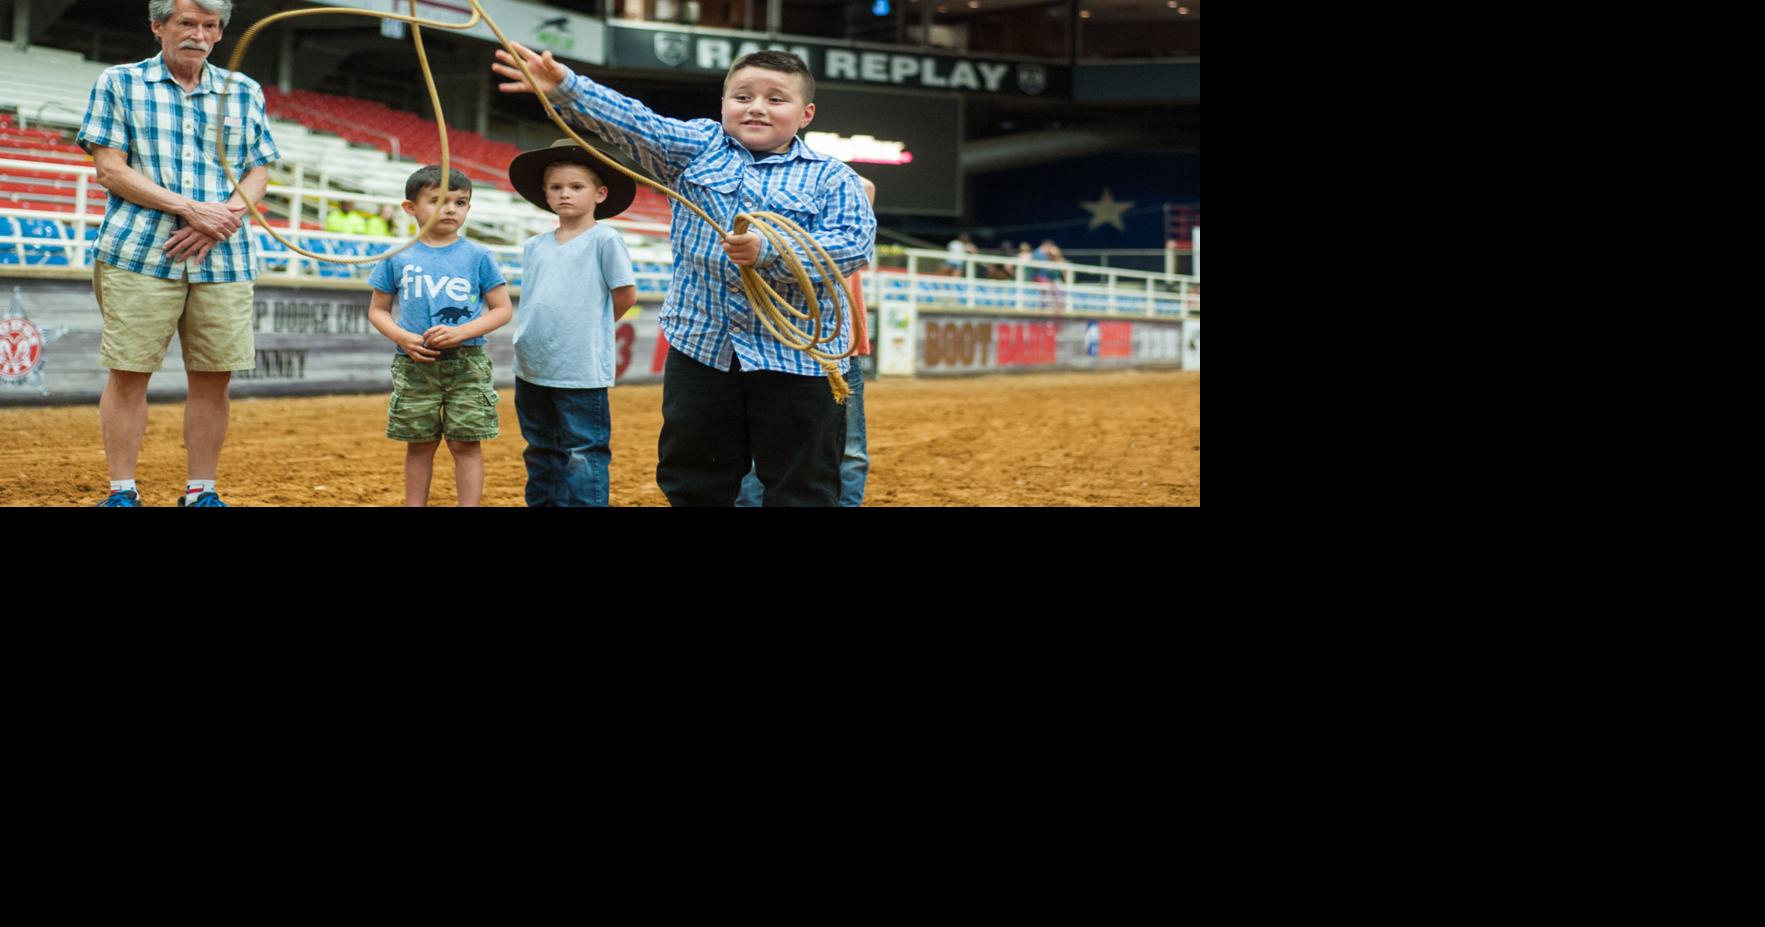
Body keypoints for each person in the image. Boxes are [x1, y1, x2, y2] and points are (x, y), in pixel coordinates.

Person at [493, 43, 876, 506]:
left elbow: (853, 247)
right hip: (703, 351)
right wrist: (566, 89)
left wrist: (769, 250)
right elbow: (637, 123)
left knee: (803, 485)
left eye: (776, 99)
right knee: (693, 479)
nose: (756, 107)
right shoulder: (697, 147)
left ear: (806, 113)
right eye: (742, 96)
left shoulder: (833, 178)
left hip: (795, 357)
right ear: (722, 105)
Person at [78, 0, 279, 507]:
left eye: (209, 26)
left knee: (215, 378)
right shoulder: (120, 82)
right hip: (139, 251)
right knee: (128, 373)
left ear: (219, 33)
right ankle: (122, 491)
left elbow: (259, 170)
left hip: (223, 257)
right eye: (186, 23)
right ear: (157, 26)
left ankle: (201, 491)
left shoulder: (244, 91)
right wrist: (193, 210)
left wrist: (221, 219)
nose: (199, 34)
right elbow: (110, 169)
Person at [366, 165, 513, 506]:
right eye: (437, 201)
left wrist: (462, 332)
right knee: (419, 444)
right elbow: (378, 310)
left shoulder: (478, 255)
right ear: (410, 208)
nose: (450, 209)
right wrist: (402, 338)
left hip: (468, 364)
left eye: (460, 203)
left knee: (466, 442)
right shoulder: (396, 256)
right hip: (415, 363)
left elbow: (502, 309)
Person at [505, 139, 639, 506]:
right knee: (540, 447)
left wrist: (589, 328)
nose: (565, 194)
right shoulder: (535, 245)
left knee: (583, 449)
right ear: (546, 194)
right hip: (532, 363)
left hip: (579, 366)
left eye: (576, 187)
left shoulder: (605, 240)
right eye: (556, 187)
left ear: (600, 193)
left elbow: (625, 294)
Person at [737, 174, 876, 507]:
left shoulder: (846, 204)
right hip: (776, 341)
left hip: (836, 346)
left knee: (848, 448)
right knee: (765, 447)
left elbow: (865, 187)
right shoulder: (766, 219)